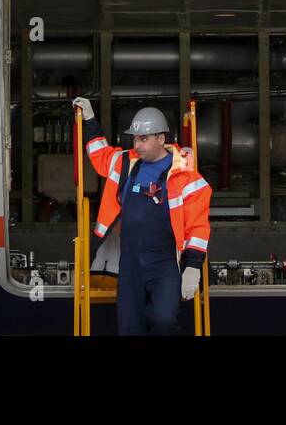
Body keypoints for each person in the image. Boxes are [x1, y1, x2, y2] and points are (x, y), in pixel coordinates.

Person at [74, 96, 211, 335]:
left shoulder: (186, 176)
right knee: (129, 328)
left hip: (165, 261)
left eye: (144, 139)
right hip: (129, 262)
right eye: (135, 138)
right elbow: (99, 155)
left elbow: (198, 226)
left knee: (162, 319)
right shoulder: (124, 162)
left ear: (161, 139)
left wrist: (193, 267)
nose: (137, 144)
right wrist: (89, 119)